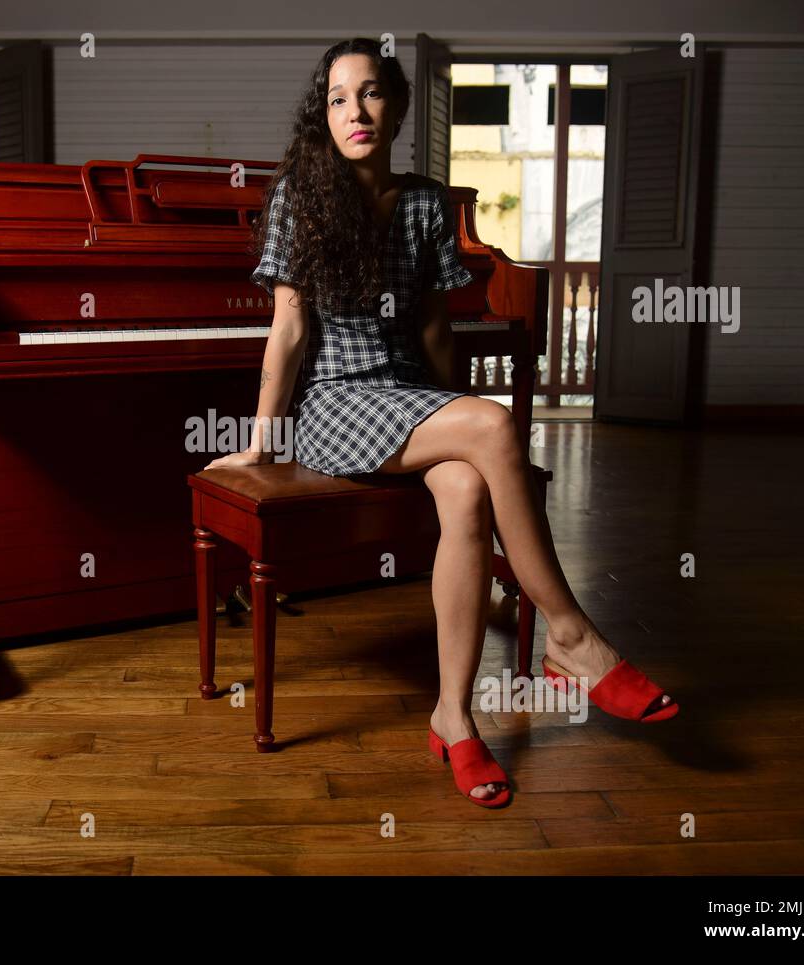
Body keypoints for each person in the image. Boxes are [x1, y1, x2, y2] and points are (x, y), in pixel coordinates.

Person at [204, 38, 677, 808]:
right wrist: (262, 437)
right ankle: (570, 634)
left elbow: (433, 334)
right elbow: (287, 329)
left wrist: (454, 419)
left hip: (407, 398)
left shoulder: (425, 203)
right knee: (492, 429)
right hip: (335, 405)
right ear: (321, 115)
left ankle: (453, 718)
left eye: (370, 94)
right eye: (336, 98)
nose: (354, 110)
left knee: (464, 486)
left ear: (394, 107)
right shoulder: (302, 194)